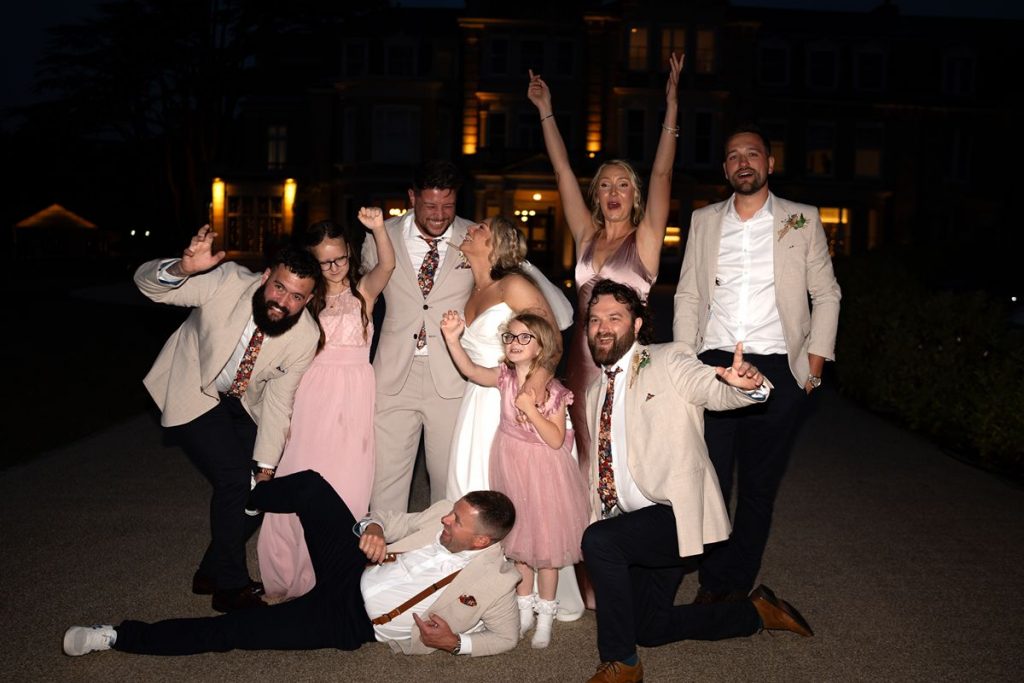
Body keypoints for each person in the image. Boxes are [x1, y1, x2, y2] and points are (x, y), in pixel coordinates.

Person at [580, 280, 813, 683]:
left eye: (614, 318)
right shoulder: (593, 392)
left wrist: (747, 386)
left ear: (636, 325)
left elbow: (711, 388)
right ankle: (756, 612)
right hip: (633, 522)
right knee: (649, 628)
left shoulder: (670, 359)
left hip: (675, 514)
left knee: (600, 541)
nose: (602, 327)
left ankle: (621, 664)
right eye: (595, 320)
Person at [63, 471, 520, 658]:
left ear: (480, 539)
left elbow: (506, 637)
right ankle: (246, 502)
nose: (444, 516)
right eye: (450, 510)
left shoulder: (498, 582)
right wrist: (372, 529)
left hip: (346, 621)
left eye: (455, 520)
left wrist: (456, 643)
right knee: (312, 489)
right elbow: (385, 517)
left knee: (235, 633)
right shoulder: (439, 514)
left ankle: (116, 635)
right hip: (356, 568)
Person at [673, 125, 841, 605]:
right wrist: (686, 361)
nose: (743, 162)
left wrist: (813, 366)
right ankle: (712, 579)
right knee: (709, 479)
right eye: (733, 155)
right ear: (724, 168)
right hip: (715, 363)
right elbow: (687, 293)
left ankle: (732, 585)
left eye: (752, 154)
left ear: (770, 163)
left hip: (779, 366)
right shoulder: (704, 220)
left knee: (758, 487)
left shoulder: (802, 219)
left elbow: (826, 293)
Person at [134, 226, 320, 612]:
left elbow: (277, 404)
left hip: (240, 403)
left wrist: (266, 468)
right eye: (280, 288)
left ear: (309, 299)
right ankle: (230, 587)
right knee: (235, 477)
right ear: (266, 275)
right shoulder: (226, 282)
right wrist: (181, 269)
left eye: (297, 297)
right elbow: (150, 287)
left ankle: (211, 570)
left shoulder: (305, 337)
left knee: (259, 489)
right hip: (194, 389)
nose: (283, 302)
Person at [527, 52, 683, 472]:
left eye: (624, 185)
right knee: (579, 446)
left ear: (635, 195)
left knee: (622, 449)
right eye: (606, 186)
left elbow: (663, 176)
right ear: (596, 195)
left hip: (626, 357)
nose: (614, 192)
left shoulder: (646, 240)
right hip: (580, 356)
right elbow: (561, 171)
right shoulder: (585, 236)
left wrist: (671, 109)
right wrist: (546, 112)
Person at [257, 208, 396, 599]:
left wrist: (379, 228)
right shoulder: (308, 299)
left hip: (354, 396)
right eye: (325, 262)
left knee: (347, 483)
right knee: (297, 473)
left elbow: (387, 263)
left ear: (350, 253)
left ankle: (330, 578)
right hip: (313, 393)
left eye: (340, 258)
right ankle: (283, 576)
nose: (334, 267)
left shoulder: (364, 292)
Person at [441, 311, 589, 649]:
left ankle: (546, 616)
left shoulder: (552, 390)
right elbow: (471, 370)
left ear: (541, 347)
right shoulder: (505, 378)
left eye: (525, 337)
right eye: (511, 336)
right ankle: (524, 611)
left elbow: (554, 440)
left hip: (543, 471)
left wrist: (531, 409)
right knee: (520, 540)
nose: (515, 343)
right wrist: (453, 339)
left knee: (546, 546)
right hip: (510, 462)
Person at [362, 161, 476, 512]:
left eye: (448, 206)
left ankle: (438, 562)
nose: (440, 215)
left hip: (453, 376)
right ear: (412, 197)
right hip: (394, 373)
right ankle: (386, 557)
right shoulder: (381, 235)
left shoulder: (475, 237)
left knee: (448, 481)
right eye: (430, 206)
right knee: (386, 480)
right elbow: (363, 296)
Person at [443, 215, 560, 502]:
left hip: (509, 397)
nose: (469, 229)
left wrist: (533, 386)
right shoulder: (472, 289)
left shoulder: (513, 286)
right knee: (468, 478)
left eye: (480, 228)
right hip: (475, 399)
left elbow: (552, 341)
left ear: (496, 246)